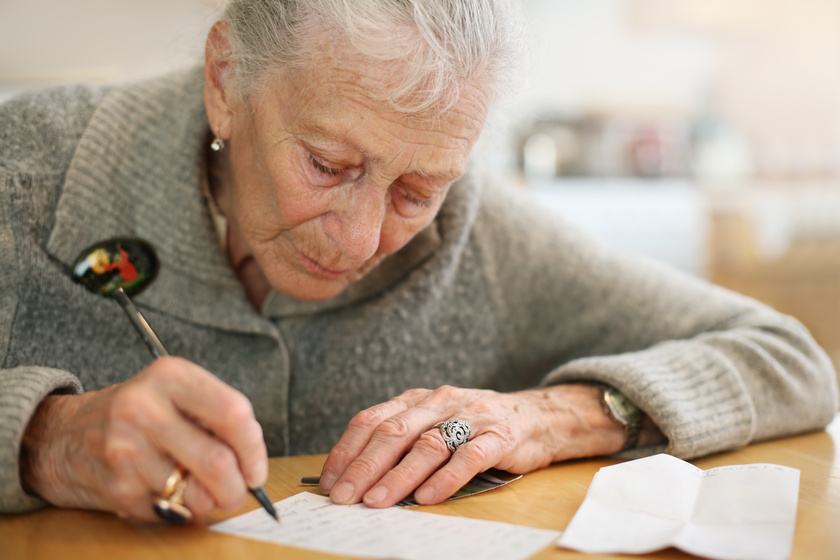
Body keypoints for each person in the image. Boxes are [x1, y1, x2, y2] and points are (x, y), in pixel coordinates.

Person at [0, 0, 837, 523]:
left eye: (418, 188)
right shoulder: (25, 172)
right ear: (226, 80)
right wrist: (44, 439)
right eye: (328, 165)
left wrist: (556, 416)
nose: (364, 241)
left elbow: (790, 359)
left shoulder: (481, 231)